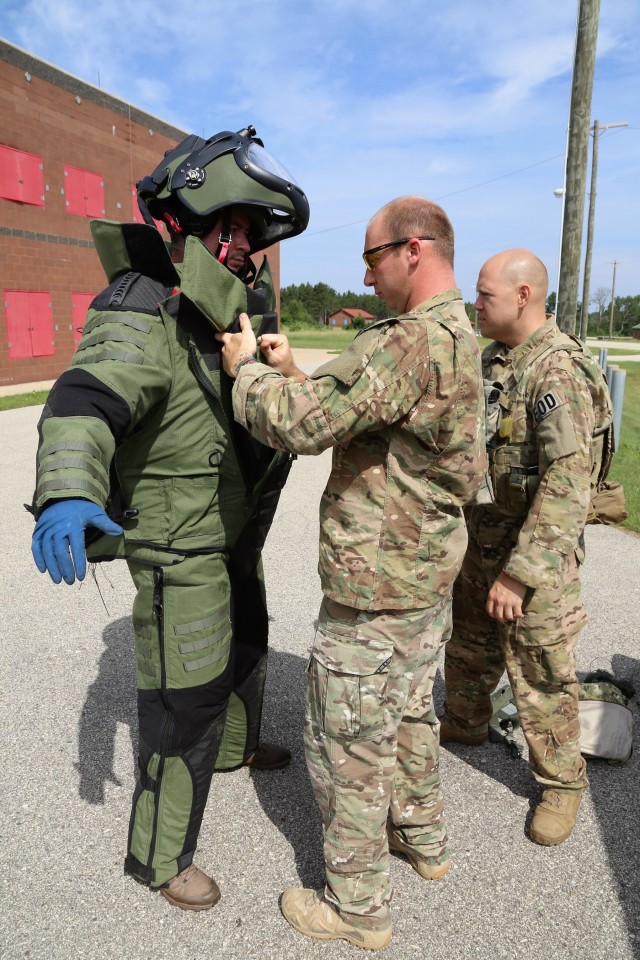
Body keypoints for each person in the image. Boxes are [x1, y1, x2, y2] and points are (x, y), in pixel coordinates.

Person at [30, 126, 310, 910]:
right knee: (182, 705)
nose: (246, 249)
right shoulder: (143, 306)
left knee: (246, 652)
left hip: (231, 539)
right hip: (178, 551)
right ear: (196, 220)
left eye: (253, 235)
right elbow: (84, 401)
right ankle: (159, 860)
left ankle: (235, 751)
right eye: (236, 230)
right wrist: (68, 490)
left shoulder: (224, 317)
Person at [217, 196, 486, 950]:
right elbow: (374, 418)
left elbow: (304, 424)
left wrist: (246, 372)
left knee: (349, 742)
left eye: (373, 258)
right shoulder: (457, 333)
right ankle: (422, 839)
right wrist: (295, 371)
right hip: (423, 578)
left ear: (413, 249)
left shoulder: (406, 340)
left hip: (377, 586)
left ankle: (357, 908)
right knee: (410, 713)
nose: (366, 277)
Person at [441, 248, 613, 846]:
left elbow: (569, 485)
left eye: (485, 295)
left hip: (535, 554)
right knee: (469, 643)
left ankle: (562, 782)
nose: (475, 304)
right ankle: (464, 722)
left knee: (541, 670)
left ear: (523, 297)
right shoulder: (493, 359)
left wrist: (521, 575)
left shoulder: (558, 372)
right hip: (482, 537)